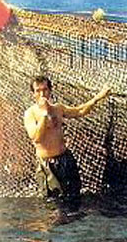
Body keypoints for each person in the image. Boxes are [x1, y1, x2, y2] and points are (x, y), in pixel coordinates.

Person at [23, 75, 111, 211]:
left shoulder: (58, 108)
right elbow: (36, 137)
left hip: (65, 159)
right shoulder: (30, 114)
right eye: (38, 91)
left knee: (74, 198)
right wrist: (44, 115)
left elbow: (80, 111)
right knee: (53, 204)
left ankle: (73, 228)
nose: (42, 94)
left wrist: (99, 97)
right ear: (33, 94)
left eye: (45, 90)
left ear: (50, 91)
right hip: (48, 165)